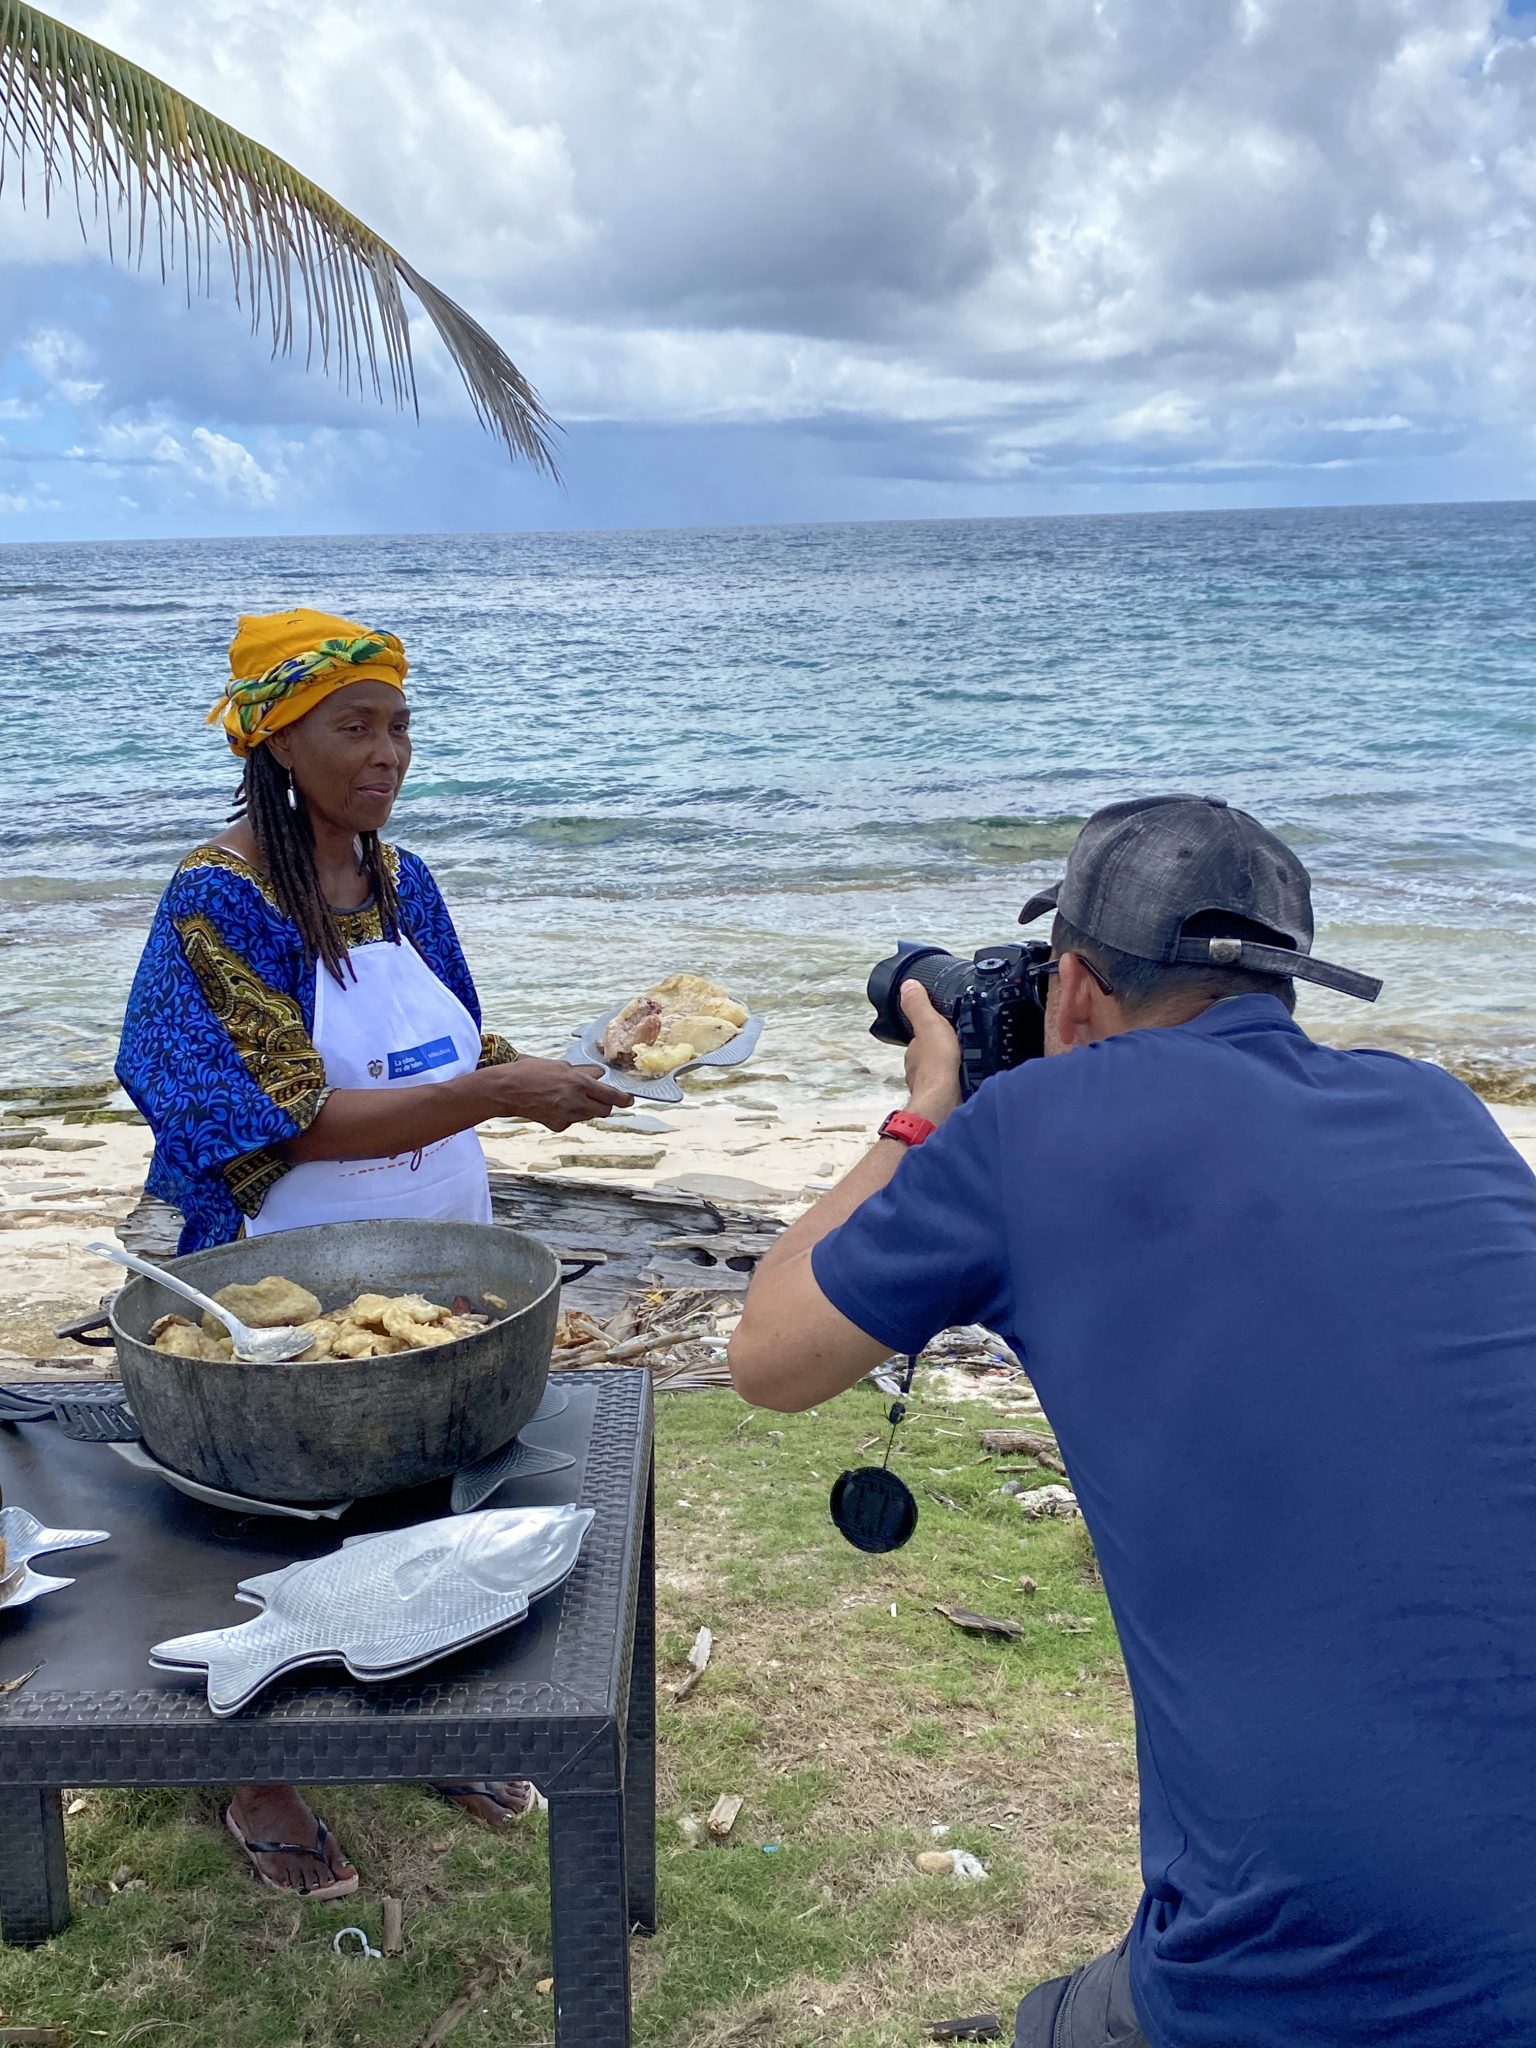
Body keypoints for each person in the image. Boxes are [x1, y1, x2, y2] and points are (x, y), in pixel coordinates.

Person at [729, 794, 1536, 2048]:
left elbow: (769, 1355)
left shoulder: (1026, 1128)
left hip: (1333, 1967)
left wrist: (930, 1103)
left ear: (1076, 990)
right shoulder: (1440, 1110)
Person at [118, 608, 633, 1900]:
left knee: (415, 1503)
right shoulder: (216, 904)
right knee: (271, 1528)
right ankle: (256, 1778)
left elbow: (463, 1048)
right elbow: (283, 1122)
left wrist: (571, 1069)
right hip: (279, 1290)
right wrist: (497, 1100)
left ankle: (422, 1726)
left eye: (399, 724)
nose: (387, 752)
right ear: (278, 738)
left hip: (436, 1264)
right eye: (356, 727)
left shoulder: (402, 882)